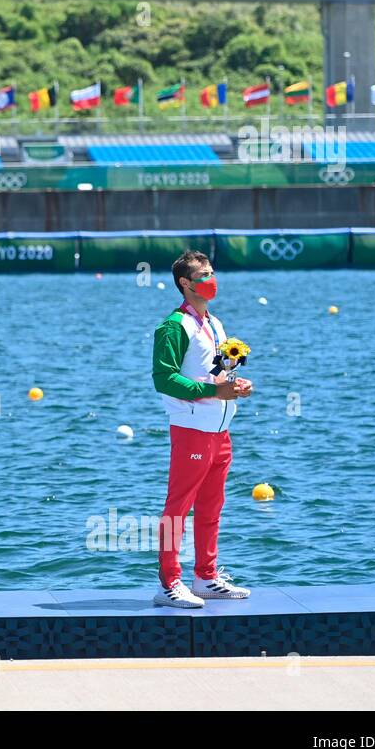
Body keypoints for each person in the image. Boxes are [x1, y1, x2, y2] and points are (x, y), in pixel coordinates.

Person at [150, 250, 254, 609]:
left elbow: (213, 372)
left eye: (212, 272)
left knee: (212, 507)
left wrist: (235, 385)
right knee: (177, 507)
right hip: (191, 430)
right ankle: (169, 583)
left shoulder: (214, 323)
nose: (212, 279)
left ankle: (205, 577)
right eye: (204, 275)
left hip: (221, 432)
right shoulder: (173, 327)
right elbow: (164, 379)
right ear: (185, 283)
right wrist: (213, 391)